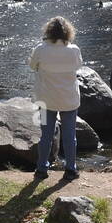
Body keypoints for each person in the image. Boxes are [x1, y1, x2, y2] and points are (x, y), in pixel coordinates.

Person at [28, 16, 82, 181]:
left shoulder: (40, 49)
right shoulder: (74, 50)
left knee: (45, 135)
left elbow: (32, 66)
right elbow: (78, 66)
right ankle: (70, 170)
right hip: (69, 100)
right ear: (68, 32)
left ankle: (41, 169)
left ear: (48, 31)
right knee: (69, 135)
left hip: (45, 100)